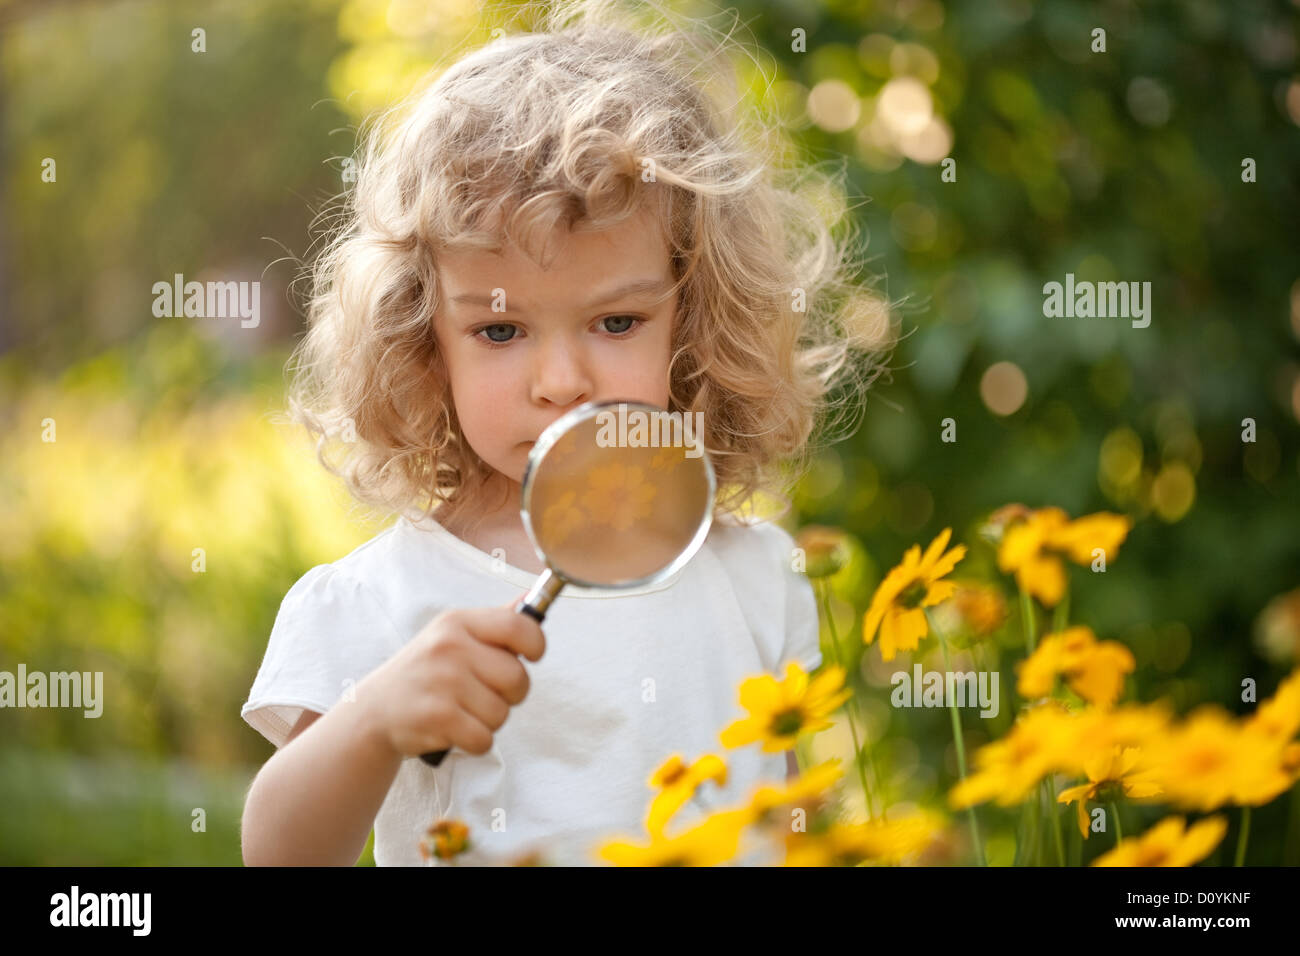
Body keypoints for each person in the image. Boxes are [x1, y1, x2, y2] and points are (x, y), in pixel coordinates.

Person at [240, 0, 885, 866]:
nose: (562, 382)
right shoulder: (377, 606)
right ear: (424, 344)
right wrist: (374, 720)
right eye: (500, 332)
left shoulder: (753, 577)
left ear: (689, 325)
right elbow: (281, 855)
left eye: (615, 323)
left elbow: (794, 819)